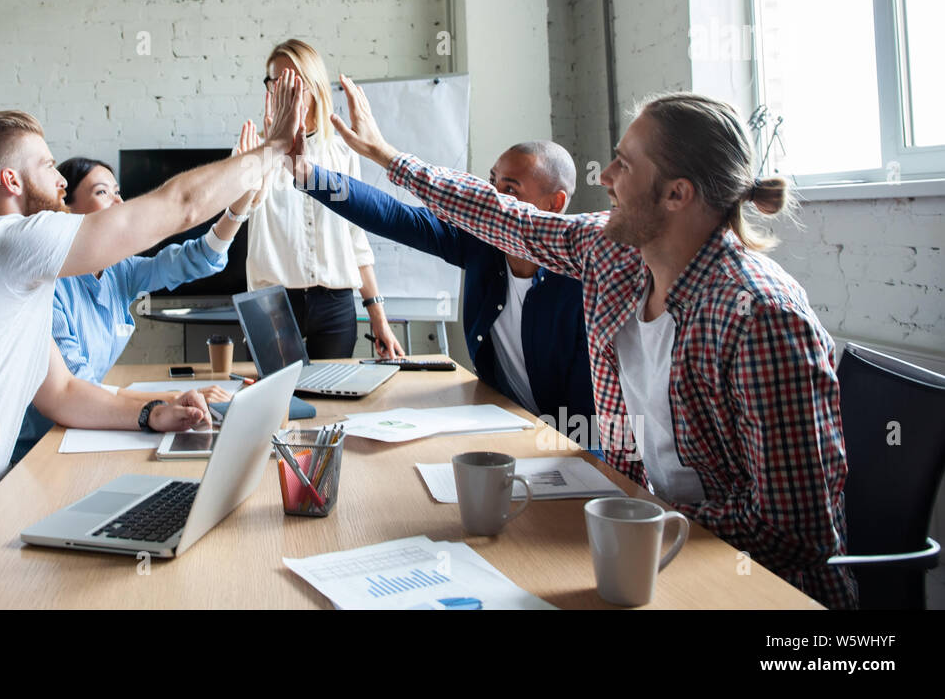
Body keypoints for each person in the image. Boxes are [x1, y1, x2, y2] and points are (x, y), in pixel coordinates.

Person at [327, 74, 856, 610]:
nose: (604, 177)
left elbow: (795, 529)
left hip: (754, 589)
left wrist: (641, 517)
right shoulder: (612, 254)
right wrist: (386, 155)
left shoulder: (759, 316)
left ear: (677, 194)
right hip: (646, 554)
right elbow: (500, 215)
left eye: (624, 164)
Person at [0, 72, 307, 598]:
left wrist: (157, 411)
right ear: (10, 181)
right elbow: (178, 207)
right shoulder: (2, 241)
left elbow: (61, 393)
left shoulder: (9, 278)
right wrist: (270, 152)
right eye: (45, 166)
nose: (60, 179)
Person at [295, 142, 596, 435]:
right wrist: (308, 174)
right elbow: (395, 216)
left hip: (563, 449)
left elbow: (590, 423)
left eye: (510, 189)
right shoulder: (481, 245)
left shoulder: (581, 285)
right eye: (490, 183)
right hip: (504, 424)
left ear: (554, 204)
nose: (492, 199)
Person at [12, 126, 263, 463]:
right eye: (103, 193)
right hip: (43, 449)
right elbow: (74, 386)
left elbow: (197, 259)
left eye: (118, 192)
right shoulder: (48, 285)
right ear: (67, 208)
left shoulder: (120, 270)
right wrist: (170, 399)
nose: (119, 202)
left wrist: (238, 207)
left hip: (90, 430)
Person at [246, 39, 405, 359]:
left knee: (331, 403)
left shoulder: (342, 152)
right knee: (273, 405)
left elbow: (356, 239)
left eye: (293, 83)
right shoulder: (254, 148)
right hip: (272, 305)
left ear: (315, 87)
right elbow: (244, 205)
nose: (282, 91)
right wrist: (269, 152)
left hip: (335, 307)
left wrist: (378, 316)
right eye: (275, 82)